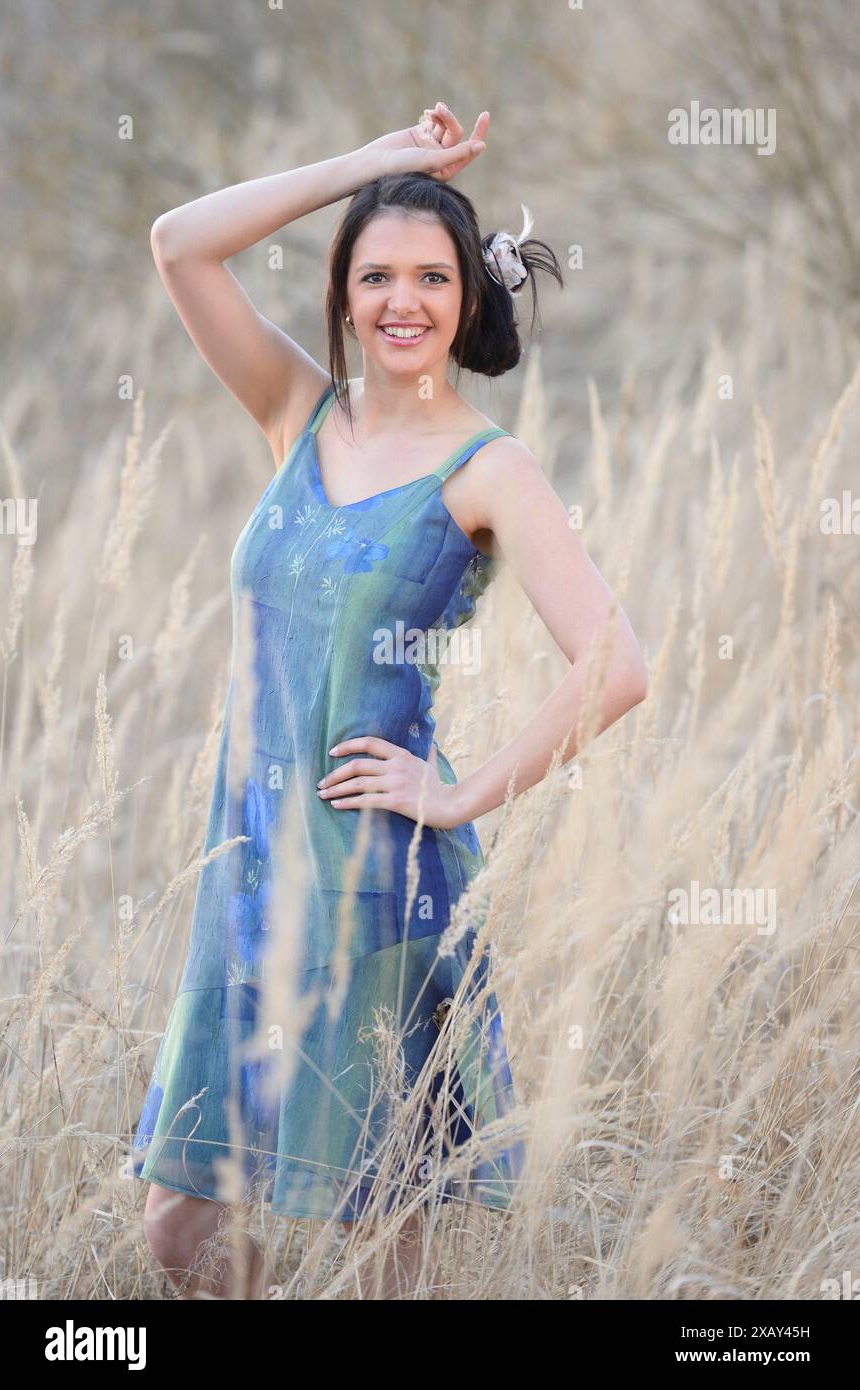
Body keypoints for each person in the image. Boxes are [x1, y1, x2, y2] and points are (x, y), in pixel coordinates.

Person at [132, 102, 648, 1300]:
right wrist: (375, 165)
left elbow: (616, 663)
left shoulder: (490, 468)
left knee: (382, 1251)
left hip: (380, 886)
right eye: (375, 276)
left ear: (468, 297)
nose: (401, 300)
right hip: (250, 879)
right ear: (345, 290)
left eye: (429, 275)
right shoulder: (295, 411)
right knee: (182, 1232)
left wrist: (457, 790)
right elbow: (178, 242)